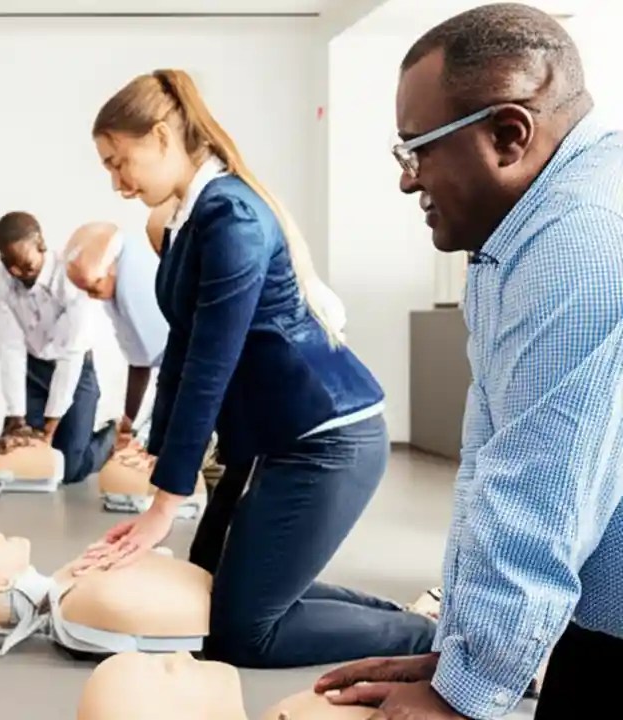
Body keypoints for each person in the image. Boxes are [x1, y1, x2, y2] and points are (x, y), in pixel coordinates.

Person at [317, 6, 623, 719]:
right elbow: (494, 464)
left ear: (508, 135)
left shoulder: (581, 238)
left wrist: (462, 697)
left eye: (415, 149)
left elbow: (539, 485)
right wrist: (459, 655)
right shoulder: (518, 235)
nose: (406, 179)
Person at [74, 68, 436, 668]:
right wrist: (159, 460)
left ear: (162, 136)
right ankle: (416, 620)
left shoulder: (231, 218)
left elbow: (210, 366)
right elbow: (182, 353)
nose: (116, 182)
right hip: (275, 437)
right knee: (212, 590)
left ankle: (434, 640)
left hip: (329, 438)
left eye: (120, 161)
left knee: (242, 634)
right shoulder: (188, 220)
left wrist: (166, 504)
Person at [0, 211, 116, 485]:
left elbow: (70, 357)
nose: (16, 272)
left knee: (68, 470)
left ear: (42, 247)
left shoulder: (71, 277)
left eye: (26, 266)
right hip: (35, 370)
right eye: (8, 263)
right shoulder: (3, 279)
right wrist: (16, 416)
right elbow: (10, 347)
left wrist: (50, 426)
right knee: (23, 461)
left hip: (75, 368)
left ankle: (110, 439)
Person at [64, 222, 167, 449]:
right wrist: (128, 421)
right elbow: (139, 361)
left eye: (93, 287)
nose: (92, 296)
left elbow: (168, 369)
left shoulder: (136, 288)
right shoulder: (116, 280)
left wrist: (144, 435)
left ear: (111, 269)